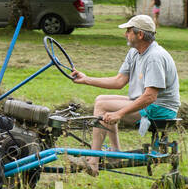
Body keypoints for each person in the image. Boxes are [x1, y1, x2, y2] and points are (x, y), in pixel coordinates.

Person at [66, 14, 180, 176]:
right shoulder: (135, 53)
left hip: (161, 110)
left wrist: (119, 113)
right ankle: (115, 153)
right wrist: (86, 79)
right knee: (101, 100)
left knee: (104, 106)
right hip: (149, 104)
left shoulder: (155, 57)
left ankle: (93, 161)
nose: (125, 34)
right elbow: (119, 81)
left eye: (128, 31)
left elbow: (150, 97)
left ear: (139, 35)